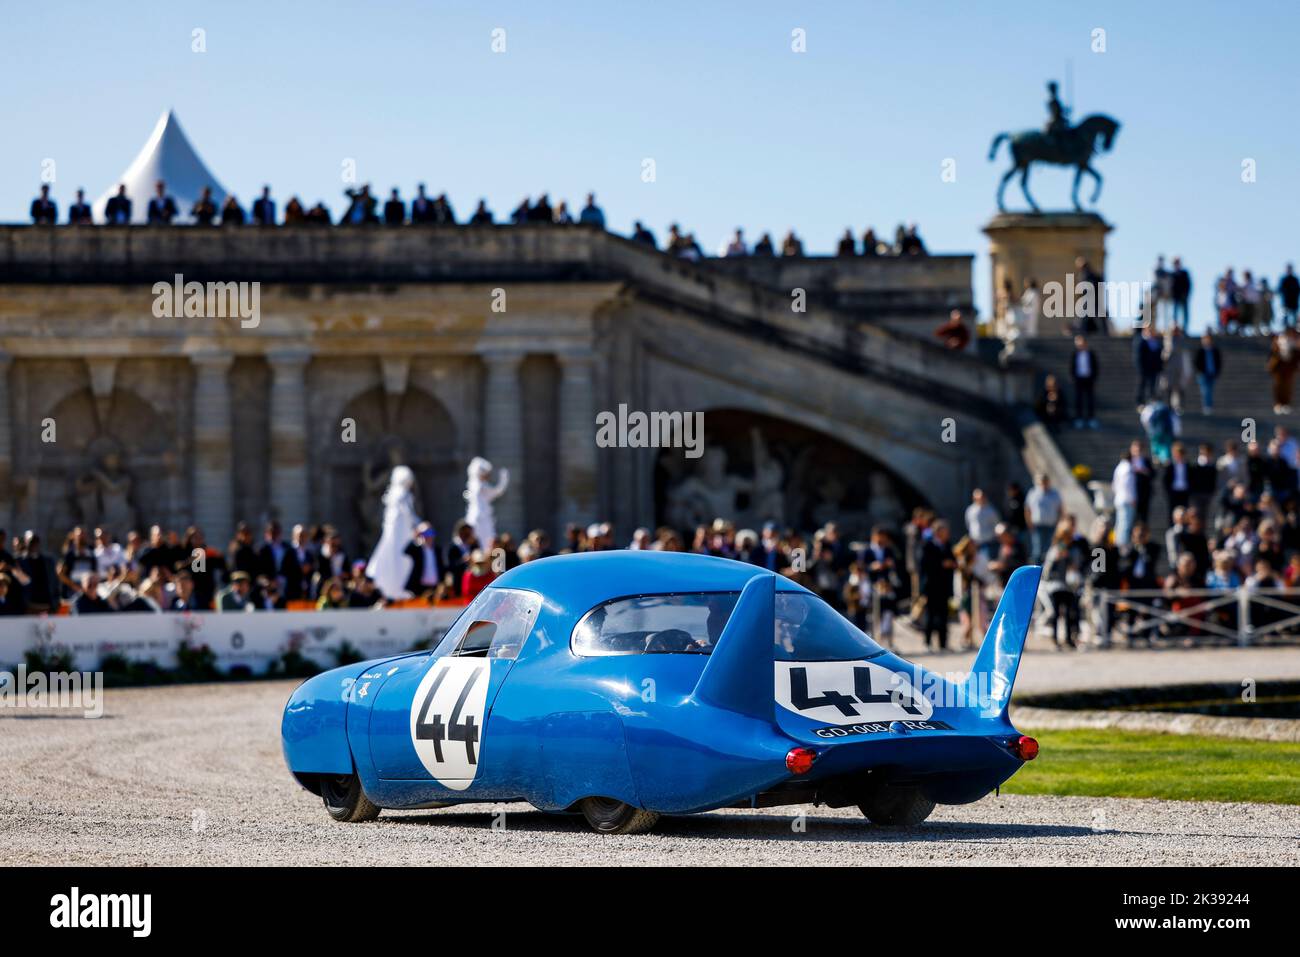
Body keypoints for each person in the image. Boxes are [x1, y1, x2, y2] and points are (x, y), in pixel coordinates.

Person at [366, 465, 421, 600]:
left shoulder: (394, 493)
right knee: (400, 559)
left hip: (398, 532)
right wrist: (418, 524)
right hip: (401, 533)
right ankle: (396, 588)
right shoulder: (402, 494)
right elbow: (408, 513)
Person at [1042, 521, 1083, 649]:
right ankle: (1055, 639)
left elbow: (1078, 566)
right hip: (1055, 585)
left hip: (1069, 586)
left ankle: (1069, 638)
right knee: (1055, 612)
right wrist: (1056, 559)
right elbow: (1046, 570)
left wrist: (1070, 561)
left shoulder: (1074, 550)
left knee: (1070, 613)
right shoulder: (1054, 549)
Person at [919, 520, 956, 652]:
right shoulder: (927, 545)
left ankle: (943, 644)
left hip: (944, 586)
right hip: (931, 586)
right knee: (930, 614)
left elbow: (953, 560)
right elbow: (924, 565)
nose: (947, 534)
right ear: (938, 532)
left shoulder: (947, 545)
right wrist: (941, 564)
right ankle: (928, 642)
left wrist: (952, 564)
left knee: (944, 615)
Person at [1024, 473, 1063, 564]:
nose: (1044, 484)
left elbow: (1060, 510)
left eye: (1045, 481)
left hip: (1052, 526)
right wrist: (1029, 523)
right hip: (1037, 526)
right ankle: (1037, 569)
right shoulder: (1033, 493)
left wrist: (1059, 524)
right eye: (1042, 482)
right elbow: (1027, 509)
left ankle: (1047, 569)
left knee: (1050, 550)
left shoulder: (1055, 494)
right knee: (1037, 550)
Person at [404, 523, 442, 598]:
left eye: (430, 533)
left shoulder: (437, 550)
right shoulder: (417, 549)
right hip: (419, 587)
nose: (429, 536)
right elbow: (406, 551)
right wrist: (415, 537)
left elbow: (441, 566)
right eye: (426, 533)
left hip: (435, 587)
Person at [1267, 330, 1300, 414]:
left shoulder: (1294, 345)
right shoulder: (1277, 344)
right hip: (1279, 369)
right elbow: (1272, 357)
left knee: (1288, 387)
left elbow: (1296, 357)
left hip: (1289, 370)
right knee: (1278, 387)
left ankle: (1286, 403)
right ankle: (1278, 403)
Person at [1133, 325, 1163, 407]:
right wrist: (1141, 368)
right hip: (1144, 369)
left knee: (1152, 387)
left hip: (1153, 369)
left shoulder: (1155, 342)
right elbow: (1138, 356)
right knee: (1141, 386)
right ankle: (1140, 403)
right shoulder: (1141, 341)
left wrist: (1159, 367)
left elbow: (1158, 356)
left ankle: (1151, 402)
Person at [1193, 331, 1222, 414]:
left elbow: (1218, 362)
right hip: (1203, 374)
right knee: (1205, 390)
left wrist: (1217, 371)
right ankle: (1207, 406)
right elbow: (1196, 362)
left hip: (1212, 373)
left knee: (1210, 390)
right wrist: (1200, 371)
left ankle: (1208, 405)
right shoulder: (1200, 350)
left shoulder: (1215, 350)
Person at [1170, 257, 1192, 332]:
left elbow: (1188, 285)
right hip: (1175, 297)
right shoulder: (1172, 274)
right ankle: (1175, 328)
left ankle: (1184, 329)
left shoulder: (1184, 273)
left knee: (1185, 314)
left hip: (1183, 297)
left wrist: (1186, 294)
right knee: (1174, 313)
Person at [1279, 264, 1300, 329]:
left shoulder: (1295, 279)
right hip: (1285, 303)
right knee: (1285, 319)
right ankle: (1285, 330)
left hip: (1294, 304)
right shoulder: (1283, 279)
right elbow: (1280, 289)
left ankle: (1294, 331)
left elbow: (1298, 290)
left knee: (1294, 320)